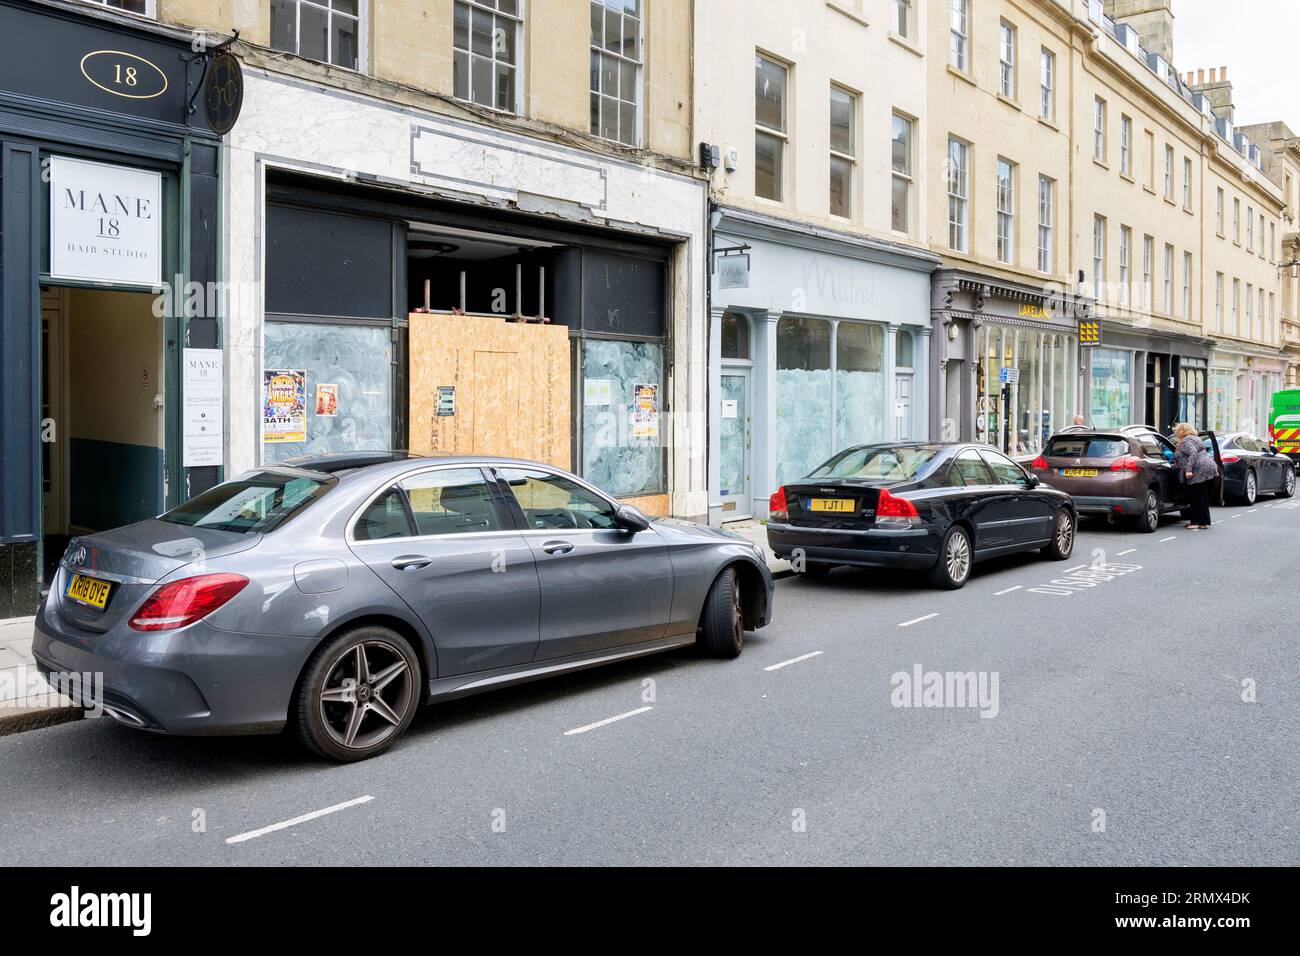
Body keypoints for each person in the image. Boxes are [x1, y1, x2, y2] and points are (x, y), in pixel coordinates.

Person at [1172, 421, 1217, 530]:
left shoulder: (1186, 441)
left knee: (1196, 496)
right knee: (1202, 497)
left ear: (1180, 431)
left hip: (1199, 469)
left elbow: (1193, 453)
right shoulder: (1195, 438)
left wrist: (1188, 470)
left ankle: (1196, 522)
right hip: (1208, 466)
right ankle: (1203, 522)